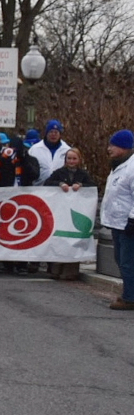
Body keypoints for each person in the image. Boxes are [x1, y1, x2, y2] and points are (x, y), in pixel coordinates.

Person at [43, 148, 96, 281]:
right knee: (60, 238)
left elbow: (94, 186)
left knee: (74, 239)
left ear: (79, 160)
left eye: (74, 158)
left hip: (77, 211)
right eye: (69, 158)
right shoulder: (59, 173)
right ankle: (55, 269)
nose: (71, 161)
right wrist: (60, 184)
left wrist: (81, 185)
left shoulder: (83, 174)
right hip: (61, 211)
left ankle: (70, 271)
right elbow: (47, 183)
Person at [102, 130, 134, 310]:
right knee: (121, 260)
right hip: (117, 222)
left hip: (127, 224)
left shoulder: (132, 167)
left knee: (128, 262)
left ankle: (130, 298)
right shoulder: (118, 165)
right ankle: (129, 292)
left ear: (123, 147)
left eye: (112, 145)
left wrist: (132, 219)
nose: (109, 149)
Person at [28, 119, 71, 186]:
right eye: (51, 132)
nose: (53, 135)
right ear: (46, 133)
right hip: (38, 189)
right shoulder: (35, 149)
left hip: (60, 190)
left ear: (60, 134)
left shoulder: (66, 150)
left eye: (56, 132)